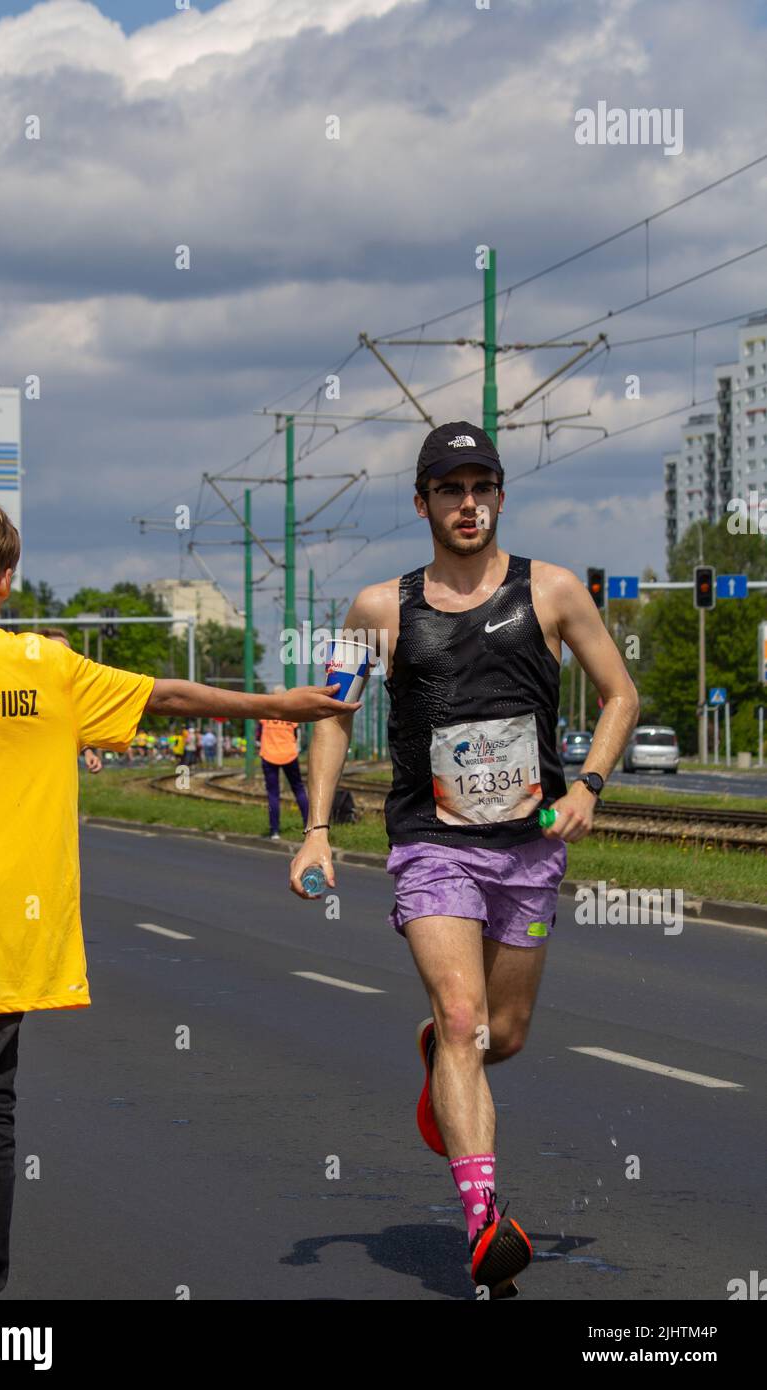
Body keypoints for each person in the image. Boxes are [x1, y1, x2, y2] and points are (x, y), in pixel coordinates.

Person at [0, 491, 361, 1301]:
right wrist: (276, 705)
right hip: (6, 931)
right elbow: (170, 697)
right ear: (7, 580)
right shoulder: (47, 669)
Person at [289, 422, 638, 1299]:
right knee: (459, 1015)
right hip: (431, 843)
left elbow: (620, 694)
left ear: (501, 497)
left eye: (482, 486)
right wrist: (318, 828)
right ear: (423, 504)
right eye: (450, 489)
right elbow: (332, 713)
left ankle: (439, 1059)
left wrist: (589, 782)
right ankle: (483, 1227)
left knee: (500, 1036)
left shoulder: (553, 591)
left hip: (527, 848)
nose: (468, 503)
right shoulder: (380, 608)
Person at [40, 627, 103, 771]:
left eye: (68, 652)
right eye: (57, 651)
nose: (65, 657)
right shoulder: (20, 688)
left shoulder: (71, 693)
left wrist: (87, 752)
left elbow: (73, 725)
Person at [259, 688, 309, 842]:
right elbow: (296, 735)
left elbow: (257, 734)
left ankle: (274, 831)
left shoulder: (265, 715)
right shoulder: (291, 714)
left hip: (269, 755)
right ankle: (308, 826)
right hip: (289, 754)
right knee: (299, 789)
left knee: (273, 794)